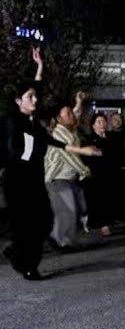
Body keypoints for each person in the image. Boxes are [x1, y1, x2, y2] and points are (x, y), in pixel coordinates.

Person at [3, 49, 98, 280]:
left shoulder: (33, 119)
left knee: (45, 220)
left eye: (35, 97)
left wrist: (40, 67)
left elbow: (39, 92)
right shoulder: (14, 122)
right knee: (25, 225)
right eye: (30, 98)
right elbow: (24, 150)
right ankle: (27, 265)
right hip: (18, 179)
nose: (35, 100)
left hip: (35, 177)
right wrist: (74, 149)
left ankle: (17, 253)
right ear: (18, 102)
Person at [44, 102, 92, 250]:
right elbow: (69, 157)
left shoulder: (70, 130)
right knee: (68, 210)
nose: (72, 115)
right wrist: (85, 171)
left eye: (72, 113)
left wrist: (78, 103)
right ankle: (63, 242)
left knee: (75, 208)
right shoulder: (58, 134)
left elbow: (75, 115)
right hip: (57, 178)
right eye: (68, 114)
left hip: (69, 178)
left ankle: (56, 237)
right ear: (59, 118)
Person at [83, 113, 122, 237]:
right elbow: (90, 156)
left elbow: (116, 153)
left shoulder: (112, 137)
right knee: (99, 199)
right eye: (99, 122)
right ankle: (102, 224)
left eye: (104, 122)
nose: (102, 124)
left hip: (111, 172)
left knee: (110, 198)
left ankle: (109, 221)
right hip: (96, 174)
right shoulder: (89, 139)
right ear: (93, 125)